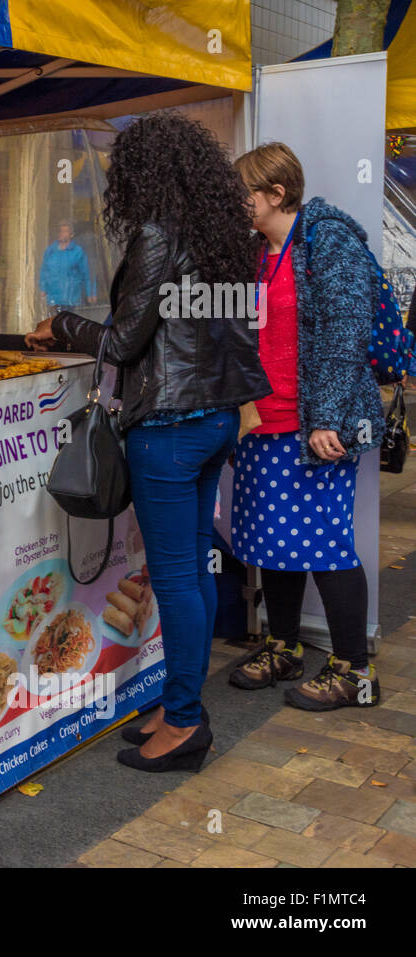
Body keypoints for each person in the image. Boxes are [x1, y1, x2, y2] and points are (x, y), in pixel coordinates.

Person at [26, 113, 270, 772]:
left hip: (167, 426)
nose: (116, 184)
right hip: (215, 419)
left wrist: (62, 323)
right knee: (188, 572)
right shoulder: (222, 236)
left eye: (121, 172)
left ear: (146, 174)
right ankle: (177, 701)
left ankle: (187, 721)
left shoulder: (159, 235)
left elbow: (123, 341)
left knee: (177, 578)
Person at [227, 142, 384, 710]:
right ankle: (283, 645)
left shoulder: (329, 241)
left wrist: (326, 420)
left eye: (245, 192)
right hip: (262, 423)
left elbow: (345, 335)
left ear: (276, 194)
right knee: (274, 541)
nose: (238, 202)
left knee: (324, 545)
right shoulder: (254, 253)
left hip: (314, 426)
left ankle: (354, 672)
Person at [39, 219, 96, 314]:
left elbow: (86, 273)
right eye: (60, 231)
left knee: (67, 325)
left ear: (71, 234)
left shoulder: (77, 252)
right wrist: (43, 288)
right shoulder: (50, 251)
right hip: (53, 298)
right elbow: (44, 271)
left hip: (71, 299)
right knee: (54, 324)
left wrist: (91, 293)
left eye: (65, 231)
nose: (62, 234)